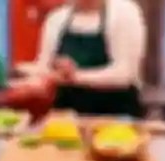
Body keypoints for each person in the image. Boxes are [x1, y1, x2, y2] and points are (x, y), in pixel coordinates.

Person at [17, 0, 147, 117]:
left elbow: (124, 75)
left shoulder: (124, 12)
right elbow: (44, 69)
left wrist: (74, 77)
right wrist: (21, 77)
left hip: (115, 116)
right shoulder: (57, 18)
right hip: (66, 117)